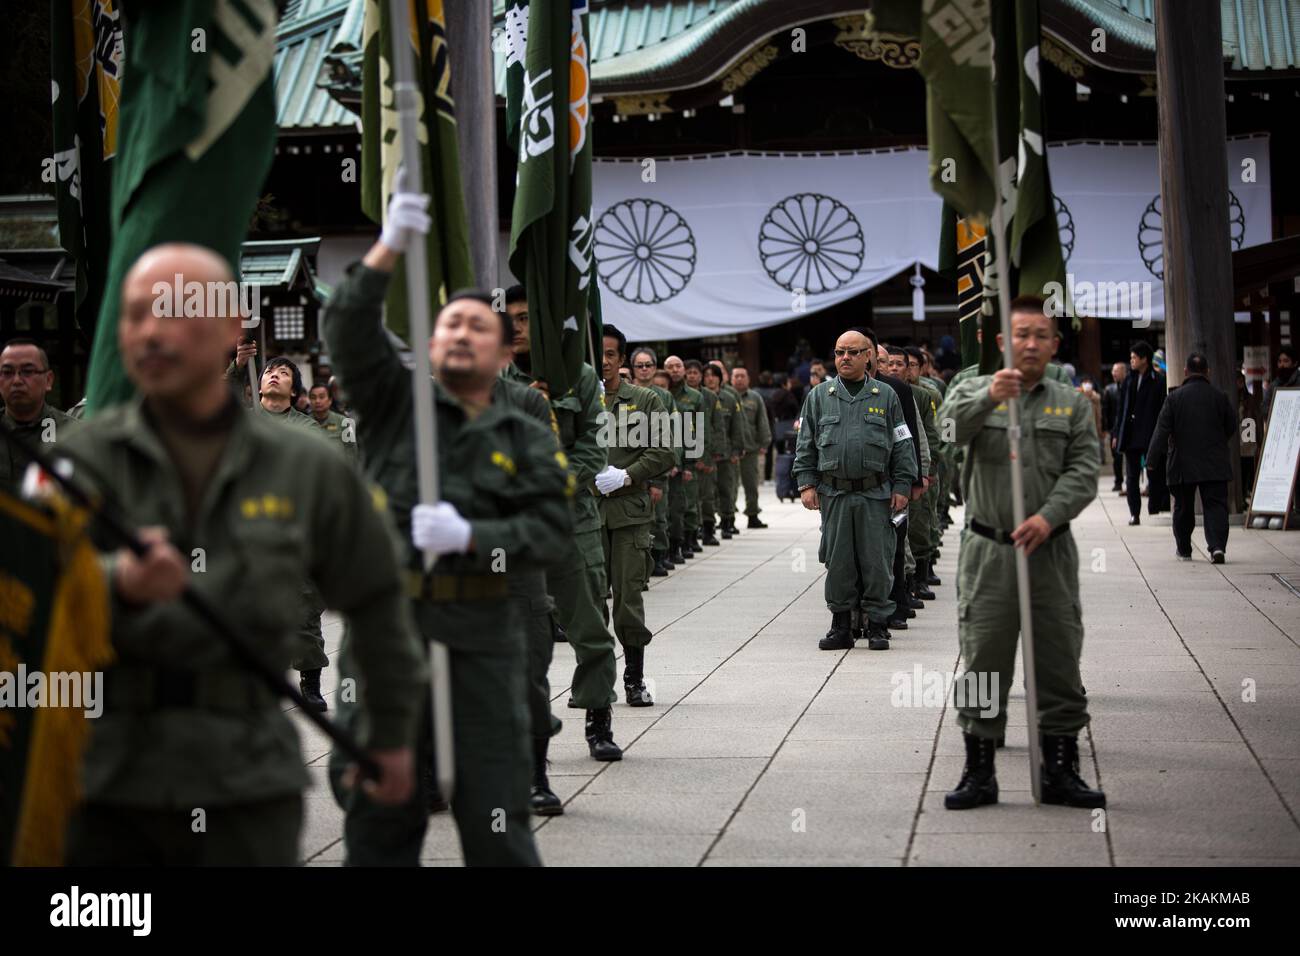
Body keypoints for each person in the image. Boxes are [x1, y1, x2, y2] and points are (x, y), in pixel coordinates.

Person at [58, 243, 423, 865]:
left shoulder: (303, 462)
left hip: (245, 776)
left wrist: (388, 733)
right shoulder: (82, 457)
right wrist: (115, 578)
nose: (152, 332)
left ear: (231, 329)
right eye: (137, 315)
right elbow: (25, 592)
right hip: (104, 774)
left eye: (174, 312)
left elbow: (377, 598)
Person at [320, 195, 573, 866]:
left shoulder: (524, 432)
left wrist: (473, 536)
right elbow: (346, 326)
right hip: (386, 638)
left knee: (498, 825)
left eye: (478, 328)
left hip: (481, 640)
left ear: (503, 349)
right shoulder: (393, 405)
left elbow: (552, 530)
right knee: (378, 822)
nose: (461, 334)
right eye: (449, 325)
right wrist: (388, 249)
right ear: (432, 344)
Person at [941, 295, 1104, 811]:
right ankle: (979, 770)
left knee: (1058, 657)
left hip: (1049, 552)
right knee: (983, 659)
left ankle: (1060, 769)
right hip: (988, 552)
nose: (1030, 344)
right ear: (1001, 342)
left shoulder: (1071, 402)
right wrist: (987, 396)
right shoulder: (971, 390)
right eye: (1020, 334)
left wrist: (1049, 515)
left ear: (1054, 344)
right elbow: (946, 436)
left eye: (1041, 335)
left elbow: (1084, 470)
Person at [504, 286, 623, 763]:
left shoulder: (580, 376)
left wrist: (549, 485)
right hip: (514, 526)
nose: (515, 326)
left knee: (589, 625)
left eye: (525, 317)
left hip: (572, 520)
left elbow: (594, 448)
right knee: (516, 631)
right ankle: (527, 733)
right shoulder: (493, 380)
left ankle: (598, 717)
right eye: (508, 318)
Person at [794, 329, 916, 651]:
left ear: (868, 357)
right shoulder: (819, 396)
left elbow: (903, 443)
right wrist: (806, 484)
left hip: (875, 495)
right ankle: (841, 625)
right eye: (838, 352)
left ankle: (877, 624)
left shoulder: (885, 396)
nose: (844, 358)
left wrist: (903, 483)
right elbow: (805, 444)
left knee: (877, 561)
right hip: (834, 495)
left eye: (851, 352)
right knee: (838, 562)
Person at [597, 326, 676, 706]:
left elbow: (665, 450)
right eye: (598, 353)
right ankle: (595, 681)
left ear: (621, 360)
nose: (604, 361)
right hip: (587, 514)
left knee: (627, 598)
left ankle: (634, 679)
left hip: (629, 512)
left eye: (611, 354)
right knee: (591, 601)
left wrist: (627, 474)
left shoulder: (645, 401)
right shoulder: (578, 401)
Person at [1146, 353, 1237, 563]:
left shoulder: (1174, 398)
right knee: (1215, 505)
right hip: (1214, 461)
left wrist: (1151, 460)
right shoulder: (1219, 397)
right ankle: (1217, 547)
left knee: (1183, 507)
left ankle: (1184, 549)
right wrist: (1217, 441)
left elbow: (1161, 431)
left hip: (1182, 463)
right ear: (1208, 372)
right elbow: (1231, 425)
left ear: (1185, 371)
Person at [1, 338, 76, 495]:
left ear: (48, 380)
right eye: (7, 372)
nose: (16, 381)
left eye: (27, 371)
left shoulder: (74, 433)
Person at [630, 347, 678, 575]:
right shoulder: (625, 393)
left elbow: (674, 434)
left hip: (657, 465)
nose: (644, 369)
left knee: (659, 517)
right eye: (639, 366)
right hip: (630, 467)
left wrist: (661, 477)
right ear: (633, 369)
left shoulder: (665, 396)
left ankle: (658, 558)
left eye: (648, 365)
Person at [1114, 340, 1167, 526]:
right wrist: (1116, 433)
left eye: (1134, 357)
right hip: (1131, 435)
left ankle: (1155, 507)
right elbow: (1121, 409)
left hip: (1151, 433)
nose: (1132, 361)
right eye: (1131, 358)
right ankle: (1134, 513)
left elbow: (1162, 409)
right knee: (1132, 476)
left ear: (1145, 359)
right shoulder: (1129, 380)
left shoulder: (1158, 380)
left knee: (1154, 472)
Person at [664, 355, 704, 564]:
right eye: (670, 367)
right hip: (663, 457)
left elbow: (696, 432)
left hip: (685, 457)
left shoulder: (695, 397)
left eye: (678, 366)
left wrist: (692, 462)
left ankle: (682, 543)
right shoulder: (658, 393)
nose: (675, 370)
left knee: (683, 504)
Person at [732, 366, 772, 528]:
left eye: (742, 376)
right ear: (731, 379)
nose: (740, 379)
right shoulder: (725, 396)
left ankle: (753, 515)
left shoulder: (755, 398)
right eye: (737, 376)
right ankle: (727, 518)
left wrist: (764, 442)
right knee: (729, 485)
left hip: (750, 448)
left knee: (751, 484)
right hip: (731, 449)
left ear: (748, 379)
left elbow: (762, 421)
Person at [308, 381, 358, 463]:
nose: (317, 401)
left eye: (321, 397)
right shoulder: (302, 422)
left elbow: (352, 454)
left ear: (330, 400)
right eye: (313, 397)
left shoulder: (345, 422)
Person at [1102, 361, 1127, 493]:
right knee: (1116, 457)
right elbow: (1105, 410)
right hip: (1114, 428)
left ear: (1124, 372)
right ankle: (1118, 481)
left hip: (1128, 427)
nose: (1113, 373)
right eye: (1113, 371)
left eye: (1116, 371)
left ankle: (1129, 483)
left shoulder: (1129, 387)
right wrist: (1106, 428)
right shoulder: (1109, 389)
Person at [1237, 370, 1261, 499]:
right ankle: (1242, 494)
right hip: (1237, 436)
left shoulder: (1250, 399)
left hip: (1248, 436)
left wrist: (1259, 441)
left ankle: (1248, 493)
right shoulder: (1229, 397)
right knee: (1239, 468)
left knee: (1248, 467)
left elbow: (1256, 419)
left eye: (1241, 381)